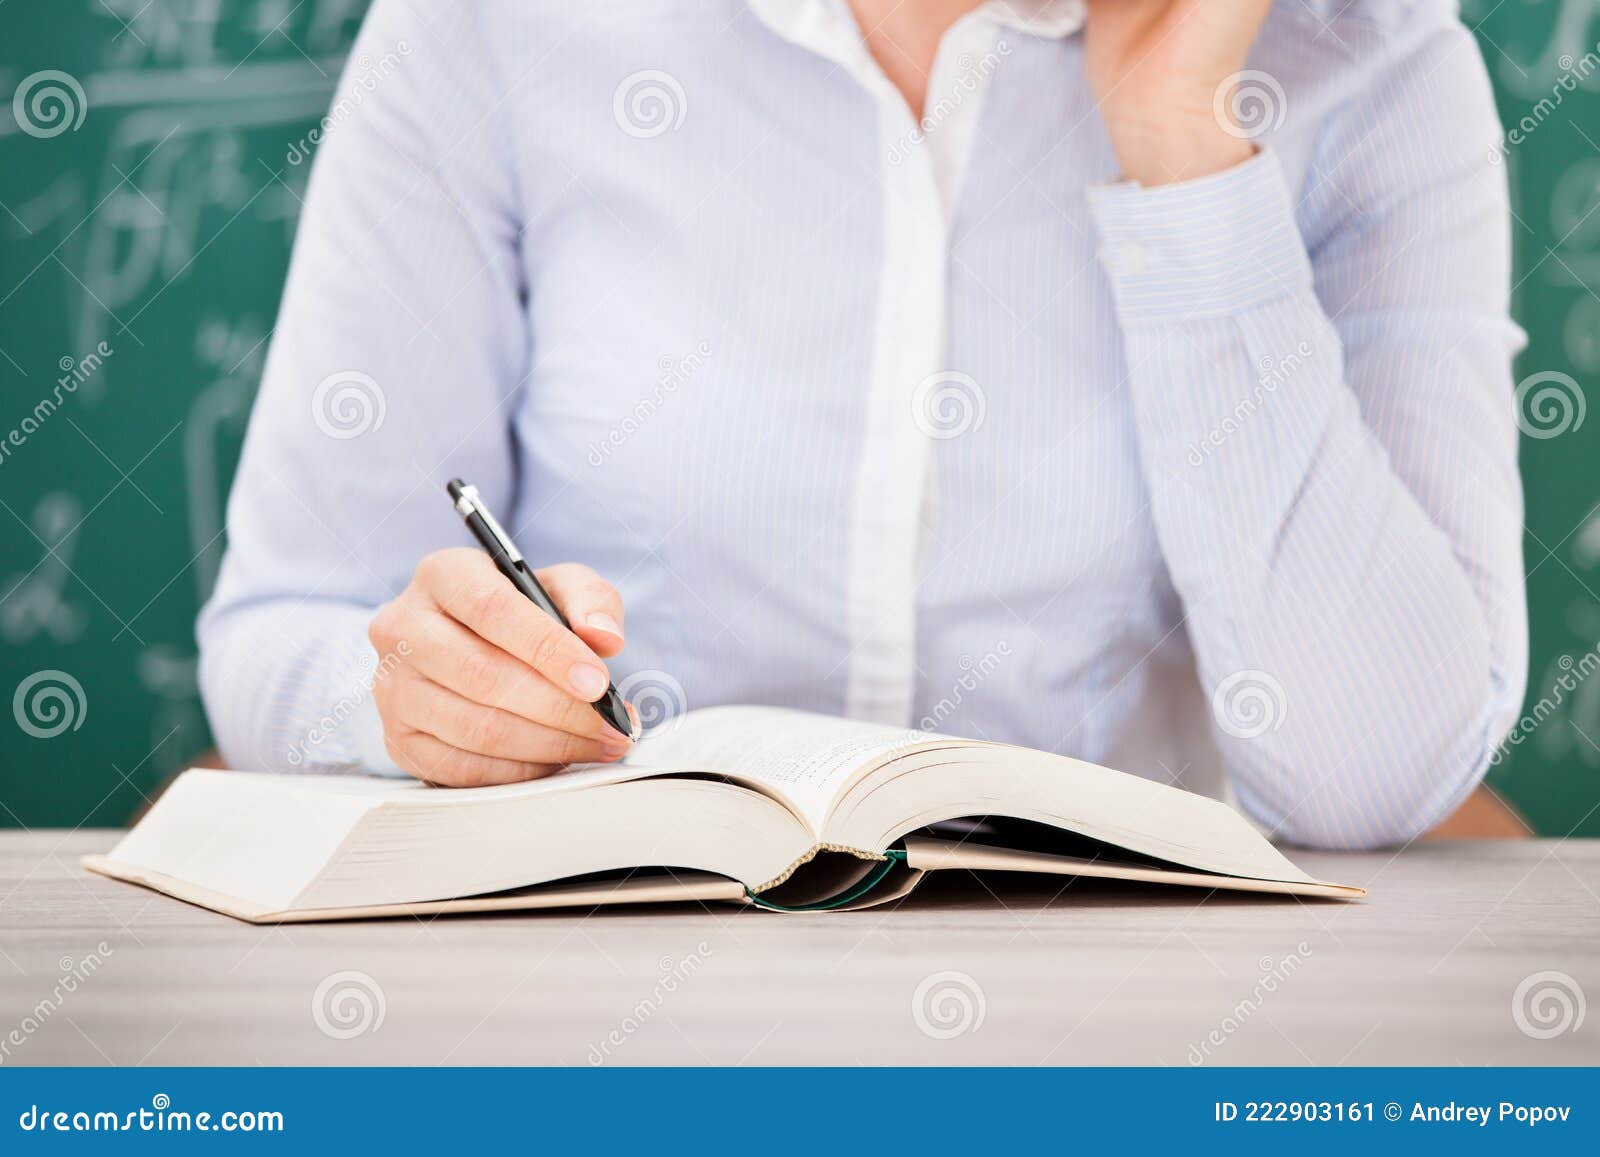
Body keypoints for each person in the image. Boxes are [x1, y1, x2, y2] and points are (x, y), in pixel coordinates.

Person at [198, 0, 1528, 850]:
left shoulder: (1374, 64)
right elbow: (287, 622)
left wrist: (1185, 143)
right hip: (592, 995)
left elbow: (1373, 775)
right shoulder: (493, 31)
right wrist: (412, 696)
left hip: (1135, 1029)